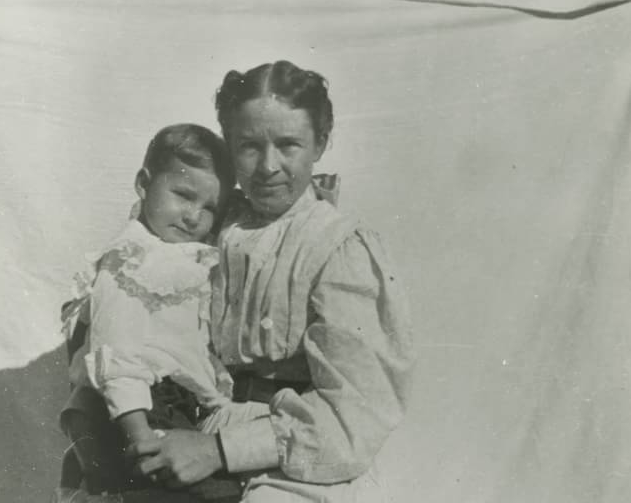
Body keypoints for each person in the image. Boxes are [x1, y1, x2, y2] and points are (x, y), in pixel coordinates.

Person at [126, 60, 415, 502]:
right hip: (196, 426)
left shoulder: (338, 247)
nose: (268, 166)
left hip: (297, 454)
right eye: (248, 146)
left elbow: (357, 412)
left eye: (288, 145)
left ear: (321, 142)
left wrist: (221, 450)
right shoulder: (208, 221)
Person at [57, 123, 250, 501]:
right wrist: (139, 433)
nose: (194, 216)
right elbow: (117, 354)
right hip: (139, 408)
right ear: (144, 185)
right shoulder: (131, 262)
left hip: (173, 405)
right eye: (183, 195)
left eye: (209, 207)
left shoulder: (176, 249)